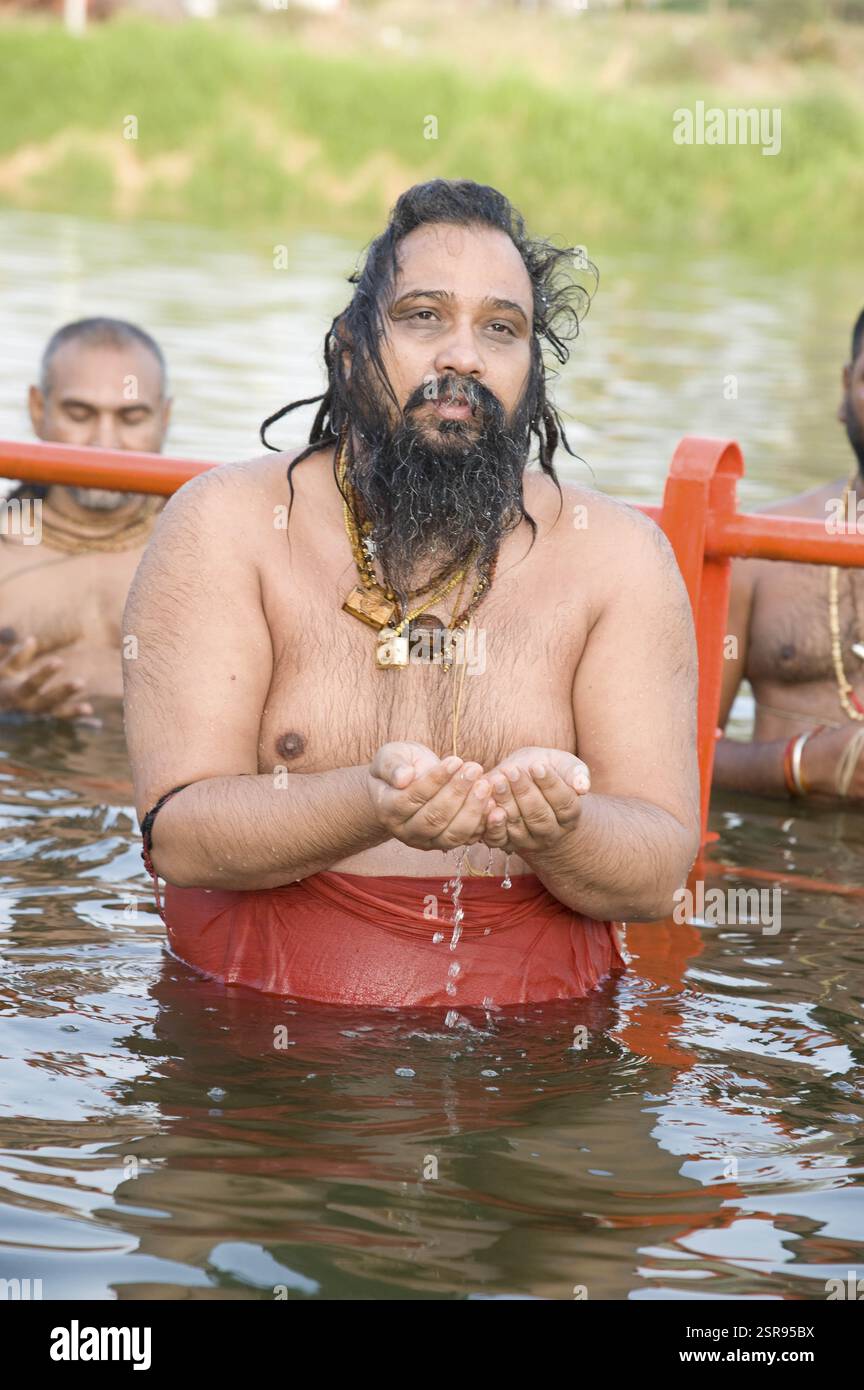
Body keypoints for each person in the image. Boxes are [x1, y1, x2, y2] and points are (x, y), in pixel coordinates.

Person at [123, 179, 700, 1009]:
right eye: (424, 316)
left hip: (540, 1069)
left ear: (532, 371)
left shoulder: (618, 558)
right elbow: (180, 837)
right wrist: (369, 802)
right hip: (259, 1055)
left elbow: (655, 875)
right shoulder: (226, 525)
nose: (462, 356)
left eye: (501, 329)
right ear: (350, 347)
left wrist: (562, 831)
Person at [715, 308, 864, 803]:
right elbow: (665, 759)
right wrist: (801, 764)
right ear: (846, 388)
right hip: (774, 860)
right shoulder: (757, 549)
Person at [0, 317, 172, 720]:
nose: (105, 443)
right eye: (80, 414)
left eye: (131, 419)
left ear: (164, 419)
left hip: (168, 781)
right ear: (38, 409)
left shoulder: (211, 547)